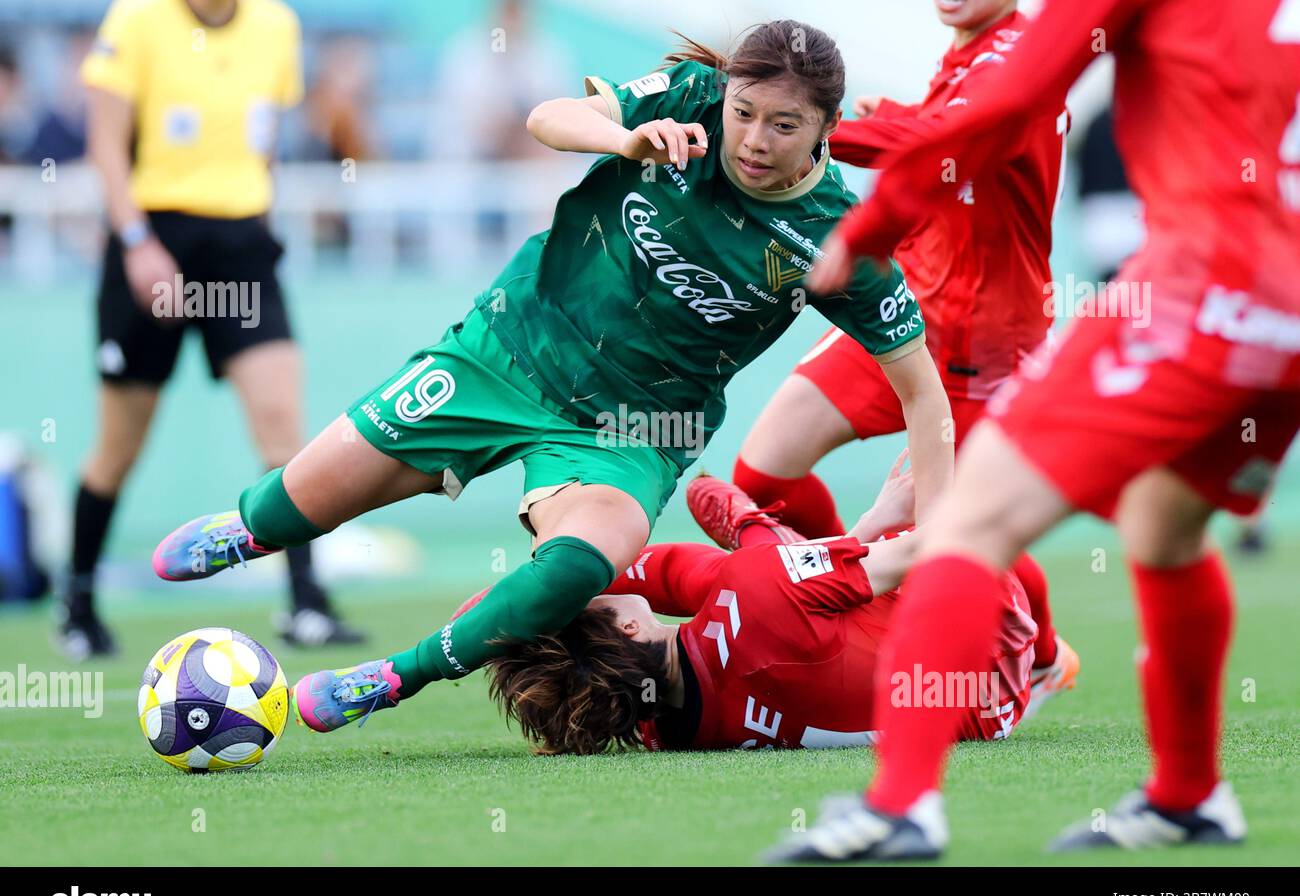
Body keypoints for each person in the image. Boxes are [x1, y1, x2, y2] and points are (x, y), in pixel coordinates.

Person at [152, 21, 954, 734]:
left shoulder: (841, 241)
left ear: (826, 129)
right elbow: (548, 118)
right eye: (745, 112)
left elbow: (922, 391)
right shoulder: (689, 98)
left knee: (582, 563)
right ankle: (251, 528)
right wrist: (626, 140)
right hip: (509, 349)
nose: (753, 139)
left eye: (784, 126)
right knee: (304, 504)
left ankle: (394, 678)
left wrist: (940, 530)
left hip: (632, 432)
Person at [770, 0, 1300, 862]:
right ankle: (1188, 796)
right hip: (1289, 313)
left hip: (1204, 292)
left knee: (966, 520)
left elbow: (1010, 103)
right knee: (1164, 528)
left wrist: (874, 221)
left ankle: (898, 807)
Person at [732, 0, 1066, 674]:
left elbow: (946, 139)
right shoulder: (967, 52)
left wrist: (827, 130)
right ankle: (855, 583)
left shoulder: (1024, 59)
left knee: (962, 526)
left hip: (987, 339)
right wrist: (887, 118)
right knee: (763, 473)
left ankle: (1044, 656)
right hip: (909, 310)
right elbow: (933, 129)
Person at [59, 0, 363, 660]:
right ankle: (77, 606)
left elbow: (267, 141)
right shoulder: (136, 19)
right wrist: (137, 240)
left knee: (285, 427)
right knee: (119, 444)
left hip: (240, 247)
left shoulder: (276, 24)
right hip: (153, 239)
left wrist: (258, 227)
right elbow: (104, 145)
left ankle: (306, 603)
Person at [482, 464, 1077, 760]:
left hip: (953, 711)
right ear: (630, 625)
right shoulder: (753, 595)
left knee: (778, 590)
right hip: (991, 676)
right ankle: (763, 531)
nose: (594, 592)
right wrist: (890, 516)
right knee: (976, 535)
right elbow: (934, 545)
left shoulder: (653, 726)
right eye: (593, 601)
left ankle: (785, 543)